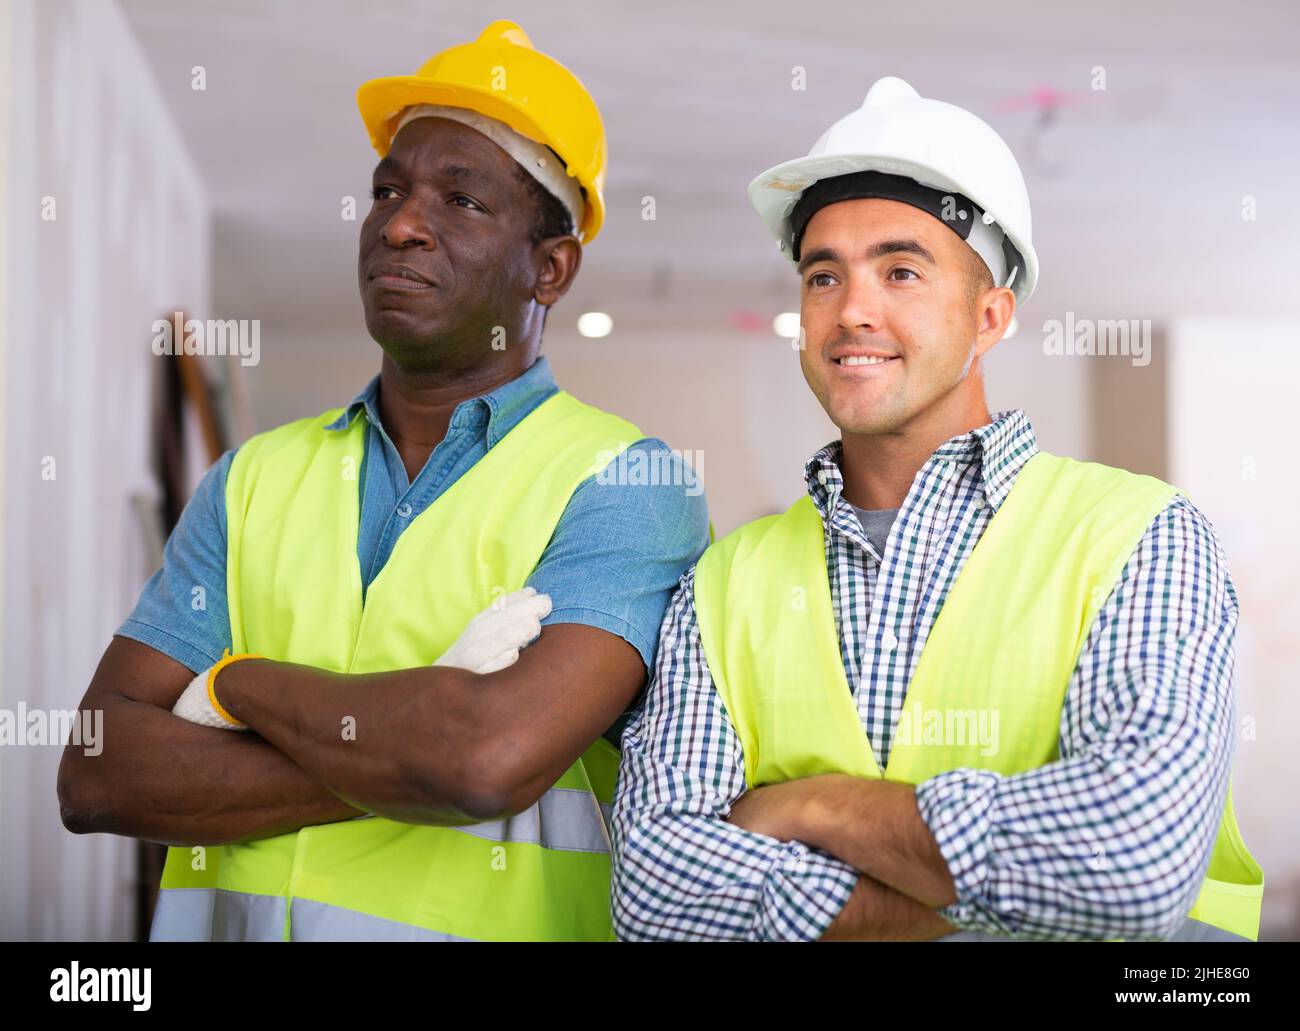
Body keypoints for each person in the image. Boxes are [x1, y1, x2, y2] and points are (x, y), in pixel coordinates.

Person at [57, 20, 709, 942]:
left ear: (551, 268)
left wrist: (235, 688)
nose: (400, 222)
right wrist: (409, 746)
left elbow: (485, 760)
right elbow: (96, 773)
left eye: (462, 201)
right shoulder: (252, 478)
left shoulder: (627, 485)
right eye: (388, 191)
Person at [609, 76, 1263, 942]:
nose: (852, 312)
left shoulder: (1140, 536)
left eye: (902, 270)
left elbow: (1128, 864)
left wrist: (815, 805)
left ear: (989, 317)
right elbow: (656, 887)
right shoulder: (726, 579)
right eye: (822, 276)